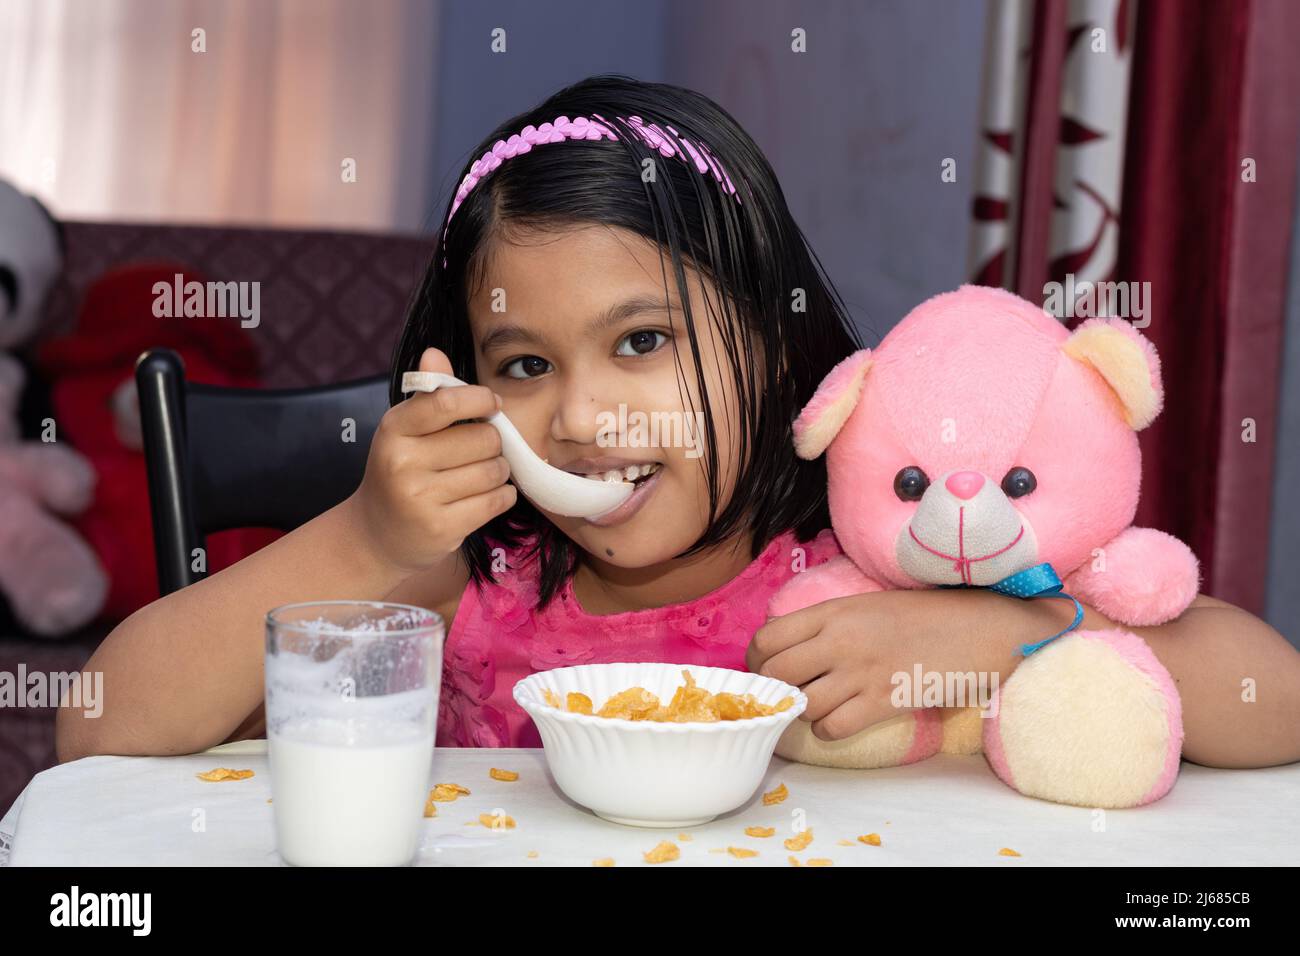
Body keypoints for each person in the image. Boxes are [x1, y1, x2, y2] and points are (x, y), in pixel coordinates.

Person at [58, 75, 1300, 768]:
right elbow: (100, 726)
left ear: (771, 340)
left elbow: (1271, 700)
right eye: (528, 361)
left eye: (642, 342)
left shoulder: (879, 557)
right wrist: (368, 544)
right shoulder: (465, 583)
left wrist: (991, 630)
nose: (589, 414)